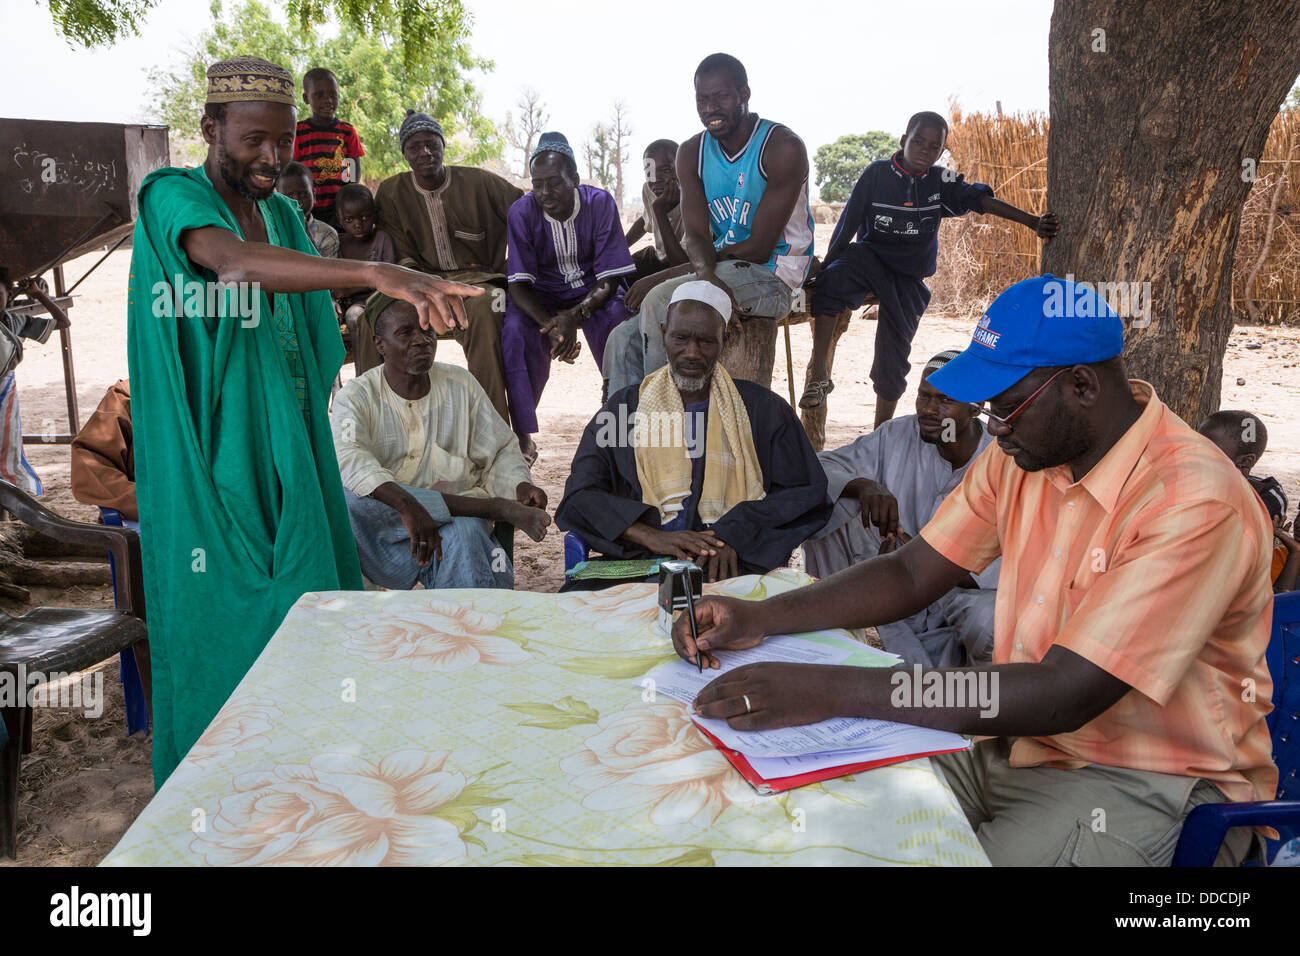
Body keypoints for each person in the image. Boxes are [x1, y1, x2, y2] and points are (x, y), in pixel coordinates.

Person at [673, 274, 1276, 867]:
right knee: (826, 831)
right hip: (1016, 743)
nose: (993, 428)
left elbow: (1065, 694)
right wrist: (760, 617)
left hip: (1150, 780)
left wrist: (829, 690)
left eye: (1007, 408)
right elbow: (911, 574)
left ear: (1084, 387)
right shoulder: (1028, 456)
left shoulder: (1193, 501)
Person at [128, 55, 479, 785]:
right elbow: (229, 264)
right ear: (211, 129)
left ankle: (316, 783)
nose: (272, 157)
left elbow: (318, 344)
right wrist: (381, 273)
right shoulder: (169, 195)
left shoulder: (287, 214)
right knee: (224, 611)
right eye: (254, 140)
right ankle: (221, 794)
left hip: (293, 447)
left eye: (283, 142)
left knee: (312, 603)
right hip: (212, 452)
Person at [555, 281, 829, 588]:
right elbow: (580, 497)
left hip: (730, 566)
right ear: (663, 334)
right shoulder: (623, 411)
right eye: (681, 338)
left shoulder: (764, 411)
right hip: (638, 564)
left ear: (725, 338)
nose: (691, 353)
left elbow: (805, 493)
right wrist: (652, 536)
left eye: (705, 341)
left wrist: (734, 534)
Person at [799, 112, 1059, 423]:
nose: (925, 150)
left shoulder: (941, 181)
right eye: (918, 141)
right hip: (869, 260)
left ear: (940, 152)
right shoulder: (876, 174)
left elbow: (981, 201)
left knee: (893, 357)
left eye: (934, 146)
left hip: (909, 277)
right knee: (832, 281)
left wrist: (1033, 223)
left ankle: (882, 431)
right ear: (903, 140)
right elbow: (847, 223)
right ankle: (819, 374)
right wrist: (828, 266)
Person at [603, 53, 814, 395]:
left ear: (744, 94)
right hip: (717, 268)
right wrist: (704, 275)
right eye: (702, 99)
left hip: (775, 273)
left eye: (721, 97)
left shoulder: (781, 146)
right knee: (621, 339)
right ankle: (629, 442)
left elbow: (760, 247)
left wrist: (678, 275)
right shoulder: (692, 152)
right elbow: (698, 235)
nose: (710, 108)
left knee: (659, 300)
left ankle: (670, 423)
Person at [331, 294, 550, 590]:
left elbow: (500, 450)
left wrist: (519, 485)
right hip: (383, 534)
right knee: (347, 496)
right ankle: (493, 508)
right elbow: (350, 460)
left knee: (468, 531)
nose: (422, 341)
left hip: (454, 527)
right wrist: (407, 505)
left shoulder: (461, 384)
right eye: (406, 333)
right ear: (379, 343)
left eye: (427, 331)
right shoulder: (356, 396)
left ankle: (465, 629)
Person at [803, 349, 999, 667]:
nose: (929, 410)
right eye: (924, 396)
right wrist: (866, 486)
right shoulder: (899, 434)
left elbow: (994, 565)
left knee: (992, 623)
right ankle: (832, 640)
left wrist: (918, 558)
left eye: (945, 401)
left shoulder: (1002, 458)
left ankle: (979, 703)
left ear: (976, 408)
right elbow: (821, 467)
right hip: (893, 577)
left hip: (961, 591)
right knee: (831, 507)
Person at [375, 110, 522, 422]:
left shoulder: (479, 181)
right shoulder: (391, 192)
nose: (425, 152)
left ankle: (492, 427)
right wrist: (430, 288)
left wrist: (519, 266)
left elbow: (523, 211)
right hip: (419, 281)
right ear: (405, 154)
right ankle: (383, 420)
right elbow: (400, 251)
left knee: (485, 309)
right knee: (372, 316)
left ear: (443, 146)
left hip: (478, 280)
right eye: (414, 147)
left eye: (431, 143)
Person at [503, 132, 636, 460]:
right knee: (515, 333)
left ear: (574, 179)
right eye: (537, 184)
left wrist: (574, 317)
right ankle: (522, 436)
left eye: (554, 183)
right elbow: (518, 286)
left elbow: (609, 280)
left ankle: (618, 417)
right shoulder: (522, 212)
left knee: (621, 325)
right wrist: (553, 325)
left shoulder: (599, 203)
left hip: (594, 292)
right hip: (541, 297)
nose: (544, 193)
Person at [1198, 410, 1300, 592]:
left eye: (1209, 448)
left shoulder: (1266, 500)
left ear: (1245, 462)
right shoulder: (1194, 476)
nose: (1196, 451)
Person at [333, 182, 397, 369]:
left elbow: (390, 279)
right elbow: (334, 286)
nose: (358, 224)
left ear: (374, 215)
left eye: (364, 217)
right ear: (339, 219)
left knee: (356, 316)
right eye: (350, 219)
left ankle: (364, 372)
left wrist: (350, 288)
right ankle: (335, 383)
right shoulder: (338, 242)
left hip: (376, 300)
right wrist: (335, 297)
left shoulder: (382, 239)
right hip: (344, 304)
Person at [291, 66, 363, 228]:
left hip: (339, 210)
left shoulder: (347, 131)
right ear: (306, 98)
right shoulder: (298, 132)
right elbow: (292, 170)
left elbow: (352, 167)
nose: (328, 100)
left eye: (333, 95)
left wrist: (348, 195)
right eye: (319, 95)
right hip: (307, 208)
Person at [624, 139, 688, 280]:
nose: (655, 179)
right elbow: (645, 220)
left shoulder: (694, 198)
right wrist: (620, 247)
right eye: (649, 172)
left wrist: (660, 212)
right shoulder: (649, 189)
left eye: (665, 170)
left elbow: (682, 265)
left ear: (681, 168)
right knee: (619, 272)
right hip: (660, 258)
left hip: (683, 266)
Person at [276, 161, 339, 257]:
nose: (296, 201)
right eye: (288, 196)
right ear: (277, 198)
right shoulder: (270, 228)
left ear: (314, 195)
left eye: (303, 194)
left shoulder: (327, 234)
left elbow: (325, 270)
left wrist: (306, 238)